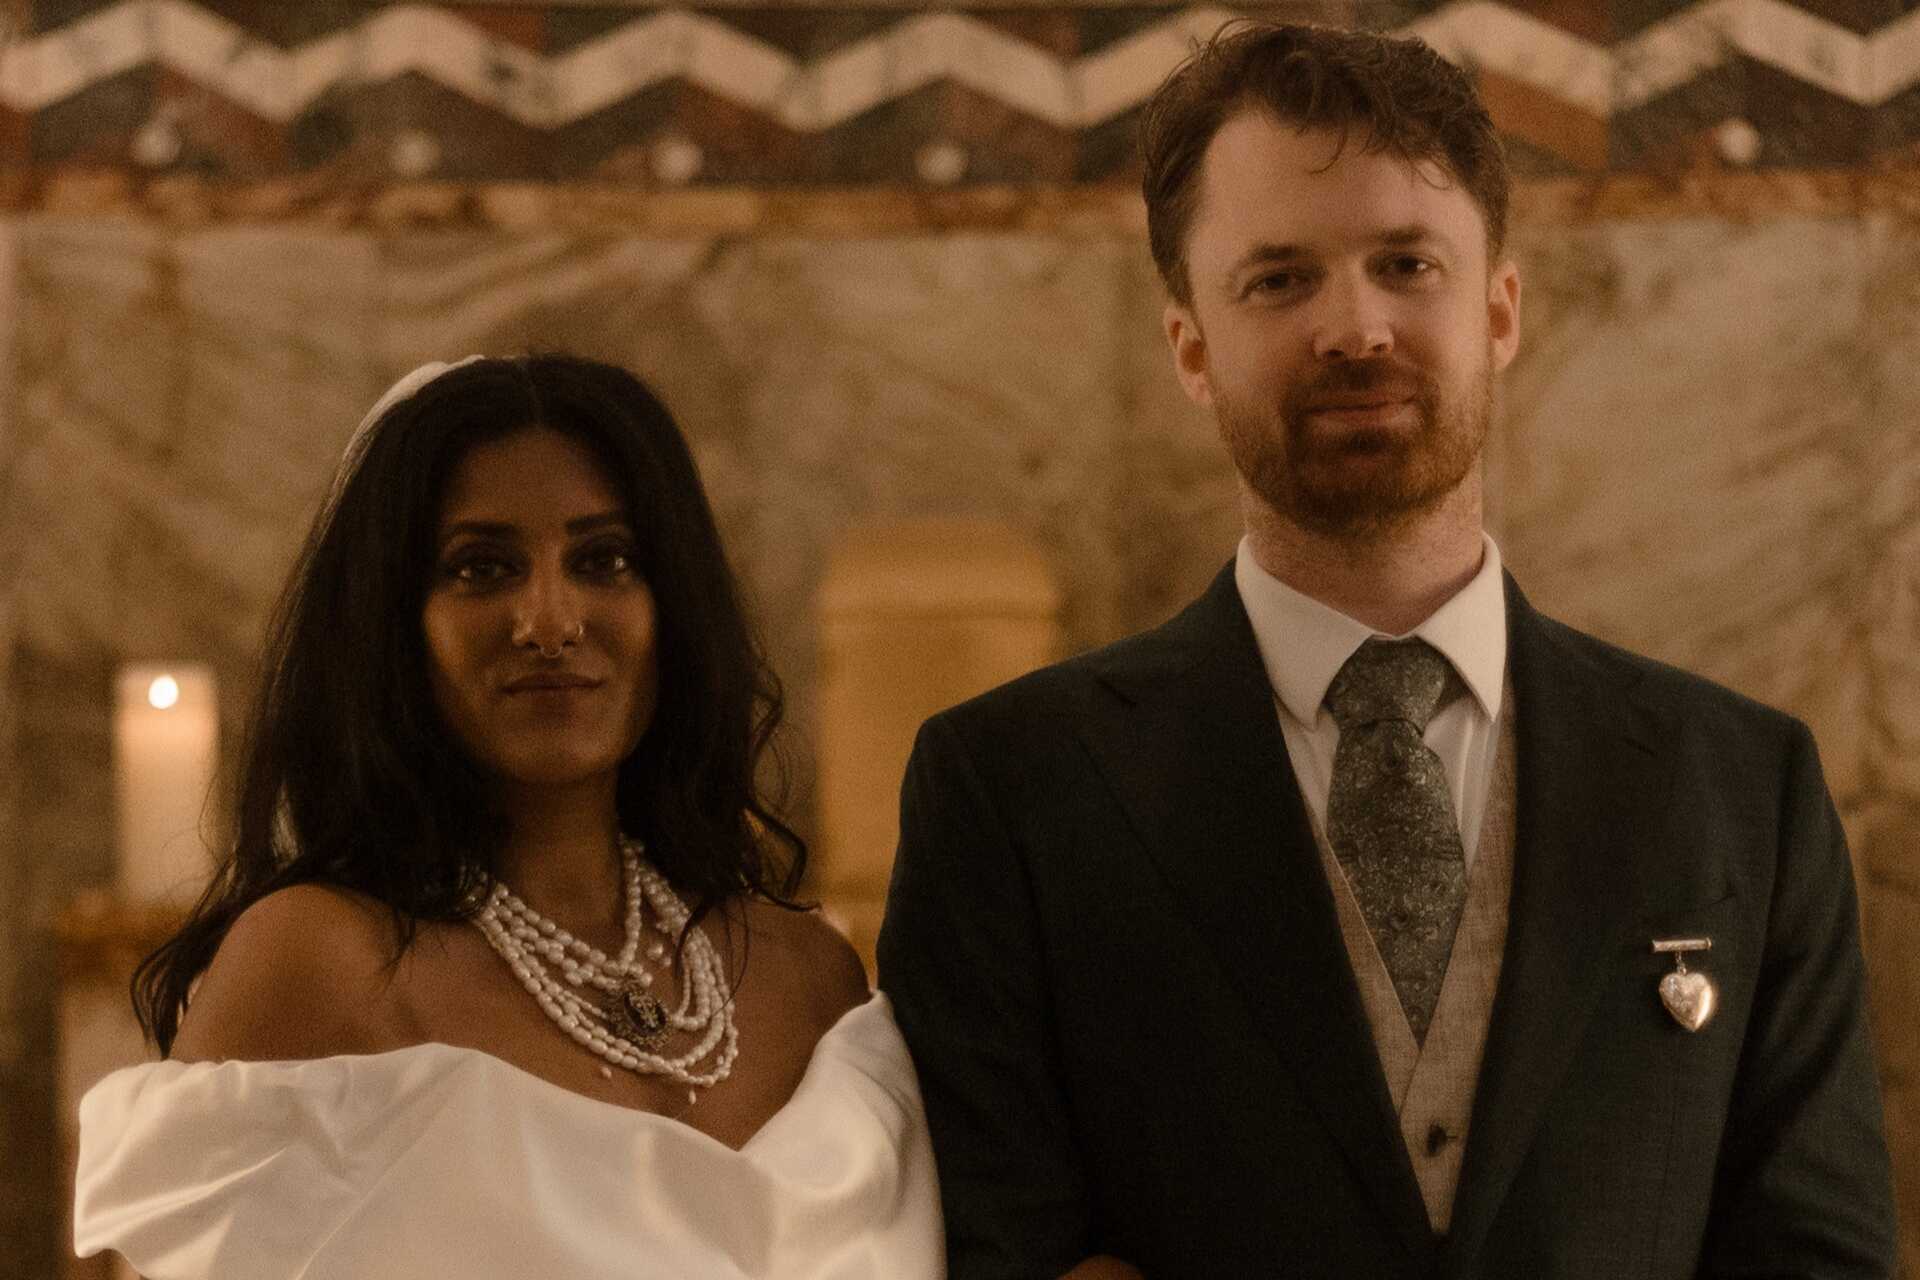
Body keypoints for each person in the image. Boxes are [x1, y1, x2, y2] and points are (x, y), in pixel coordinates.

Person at [877, 22, 1896, 1280]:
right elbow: (999, 1249)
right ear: (1191, 344)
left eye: (1407, 262)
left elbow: (1820, 1254)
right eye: (1278, 279)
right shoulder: (1009, 793)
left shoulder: (1744, 788)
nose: (1353, 328)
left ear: (1501, 309)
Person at [74, 355, 944, 1278]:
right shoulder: (317, 964)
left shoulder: (807, 974)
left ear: (671, 603)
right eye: (481, 569)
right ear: (391, 625)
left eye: (603, 560)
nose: (550, 619)